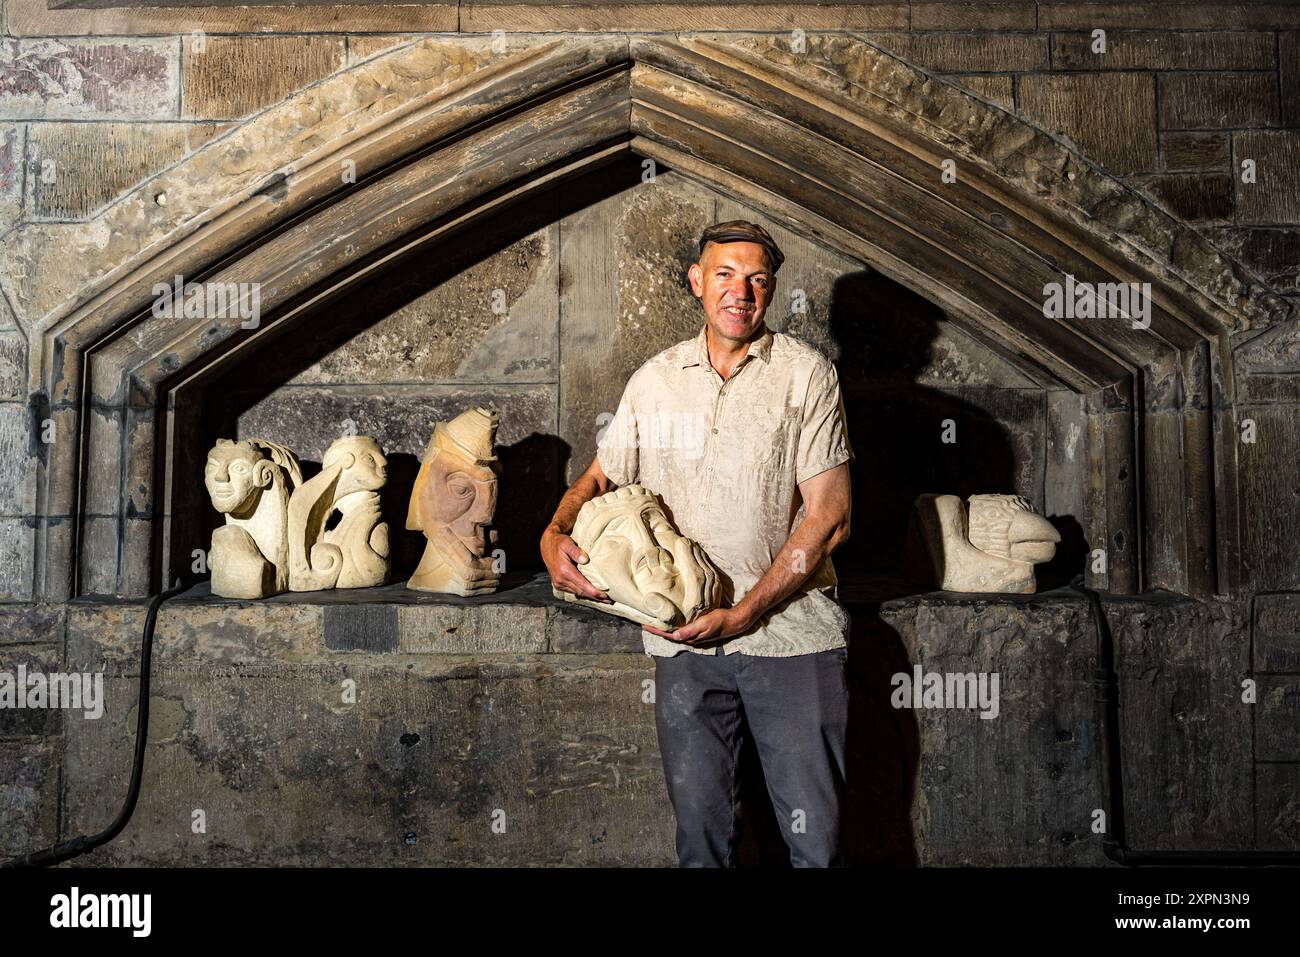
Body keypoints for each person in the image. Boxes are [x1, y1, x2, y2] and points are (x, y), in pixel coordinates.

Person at [541, 220, 854, 867]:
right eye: (724, 275)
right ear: (696, 282)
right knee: (702, 846)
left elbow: (831, 516)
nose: (740, 291)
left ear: (770, 290)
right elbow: (603, 476)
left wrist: (747, 610)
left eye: (756, 279)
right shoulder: (656, 380)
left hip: (790, 640)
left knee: (815, 846)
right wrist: (553, 531)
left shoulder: (805, 375)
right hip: (684, 645)